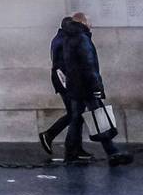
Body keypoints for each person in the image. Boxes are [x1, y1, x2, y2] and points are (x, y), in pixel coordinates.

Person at [59, 13, 132, 166]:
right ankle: (112, 152)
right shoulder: (82, 38)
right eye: (89, 21)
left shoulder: (67, 38)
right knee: (99, 117)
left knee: (76, 119)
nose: (91, 24)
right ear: (83, 22)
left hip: (75, 86)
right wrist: (97, 86)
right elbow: (89, 65)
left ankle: (70, 152)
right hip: (86, 86)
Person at [39, 16, 76, 156]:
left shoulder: (59, 38)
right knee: (74, 114)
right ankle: (49, 135)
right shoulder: (64, 41)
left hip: (63, 80)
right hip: (65, 81)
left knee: (75, 114)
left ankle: (73, 147)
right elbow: (64, 66)